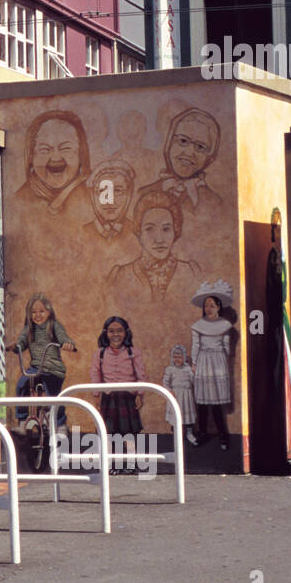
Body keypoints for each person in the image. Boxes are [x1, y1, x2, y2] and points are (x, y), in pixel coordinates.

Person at [106, 190, 202, 303]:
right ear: (139, 233)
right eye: (149, 229)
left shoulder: (191, 271)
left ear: (175, 231)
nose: (159, 239)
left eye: (166, 229)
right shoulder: (119, 275)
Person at [138, 107, 224, 220]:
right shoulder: (143, 194)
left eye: (200, 147)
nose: (189, 152)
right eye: (183, 141)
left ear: (210, 158)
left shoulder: (215, 204)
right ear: (169, 142)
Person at [90, 316, 146, 475]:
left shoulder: (133, 352)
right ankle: (112, 464)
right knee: (110, 434)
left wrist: (139, 394)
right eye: (111, 331)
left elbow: (141, 374)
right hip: (109, 398)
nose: (116, 334)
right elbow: (95, 374)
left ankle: (131, 464)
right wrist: (97, 395)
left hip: (127, 398)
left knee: (129, 434)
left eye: (120, 331)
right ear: (105, 333)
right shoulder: (100, 353)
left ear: (126, 333)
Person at [14, 293, 78, 429]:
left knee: (53, 394)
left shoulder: (54, 326)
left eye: (42, 311)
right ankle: (23, 419)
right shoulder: (29, 329)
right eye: (34, 312)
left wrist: (67, 343)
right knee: (22, 385)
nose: (38, 315)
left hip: (53, 368)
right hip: (36, 368)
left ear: (49, 312)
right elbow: (22, 341)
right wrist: (17, 346)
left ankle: (60, 424)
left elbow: (62, 337)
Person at [16, 110, 91, 215]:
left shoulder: (92, 202)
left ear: (81, 154)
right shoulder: (19, 204)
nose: (56, 158)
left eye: (65, 148)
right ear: (31, 156)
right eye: (45, 149)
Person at [191, 281, 235, 450]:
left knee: (216, 404)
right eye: (206, 305)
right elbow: (195, 345)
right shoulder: (198, 326)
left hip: (217, 363)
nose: (208, 308)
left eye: (211, 305)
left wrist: (222, 362)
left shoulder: (224, 325)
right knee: (202, 403)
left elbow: (226, 346)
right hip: (203, 362)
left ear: (218, 307)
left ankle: (223, 436)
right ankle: (202, 433)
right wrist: (194, 363)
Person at [162, 344, 197, 445]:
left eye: (180, 357)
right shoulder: (170, 369)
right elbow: (165, 382)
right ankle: (176, 434)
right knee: (175, 416)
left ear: (184, 358)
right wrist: (169, 390)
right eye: (175, 357)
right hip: (175, 396)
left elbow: (193, 381)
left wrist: (193, 373)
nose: (177, 359)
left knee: (188, 416)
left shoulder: (188, 369)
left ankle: (189, 433)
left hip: (186, 396)